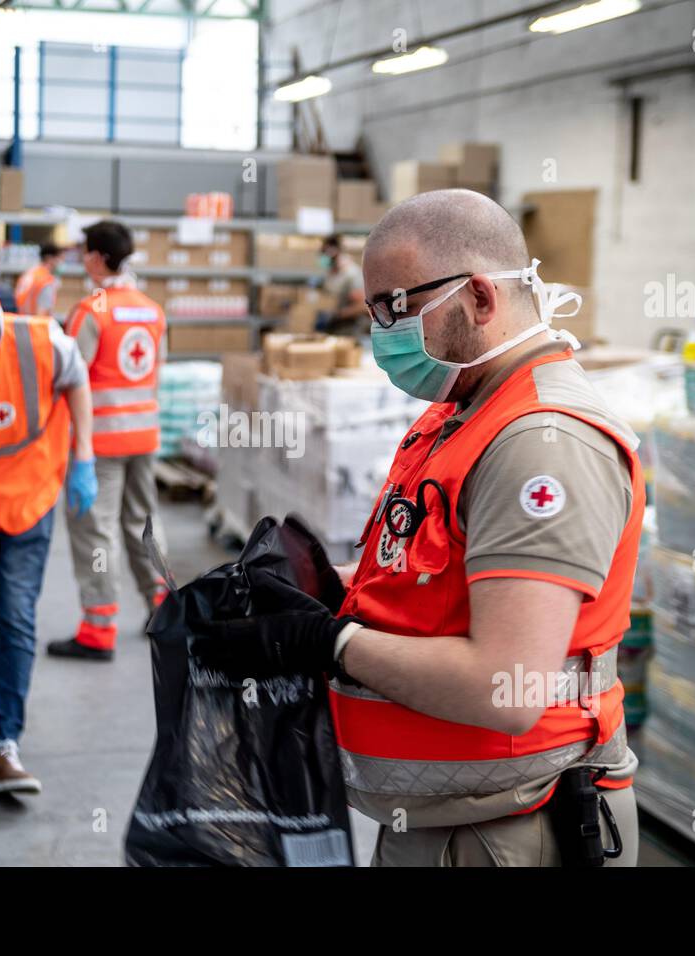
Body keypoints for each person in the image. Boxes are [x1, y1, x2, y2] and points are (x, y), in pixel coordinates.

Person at [193, 189, 644, 867]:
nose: (380, 333)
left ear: (481, 299)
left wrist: (328, 640)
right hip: (448, 818)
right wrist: (316, 586)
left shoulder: (541, 444)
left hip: (515, 828)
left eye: (395, 309)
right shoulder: (461, 413)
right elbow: (435, 573)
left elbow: (508, 683)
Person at [0, 290, 98, 793]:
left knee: (16, 614)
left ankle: (4, 741)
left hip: (31, 495)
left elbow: (78, 378)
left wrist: (84, 456)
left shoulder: (41, 340)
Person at [47, 220, 170, 662]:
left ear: (97, 257)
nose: (82, 259)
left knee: (94, 530)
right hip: (145, 435)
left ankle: (98, 630)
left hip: (100, 441)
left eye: (85, 252)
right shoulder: (152, 309)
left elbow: (71, 376)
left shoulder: (90, 310)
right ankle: (164, 610)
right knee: (144, 523)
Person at [316, 234, 368, 337]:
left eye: (325, 252)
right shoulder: (331, 274)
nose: (323, 257)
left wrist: (338, 314)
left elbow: (362, 305)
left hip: (348, 330)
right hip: (333, 329)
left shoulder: (351, 274)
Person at [13, 243, 67, 318]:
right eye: (58, 259)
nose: (59, 263)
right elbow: (42, 315)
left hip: (21, 323)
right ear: (50, 258)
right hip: (34, 327)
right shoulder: (45, 280)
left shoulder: (29, 274)